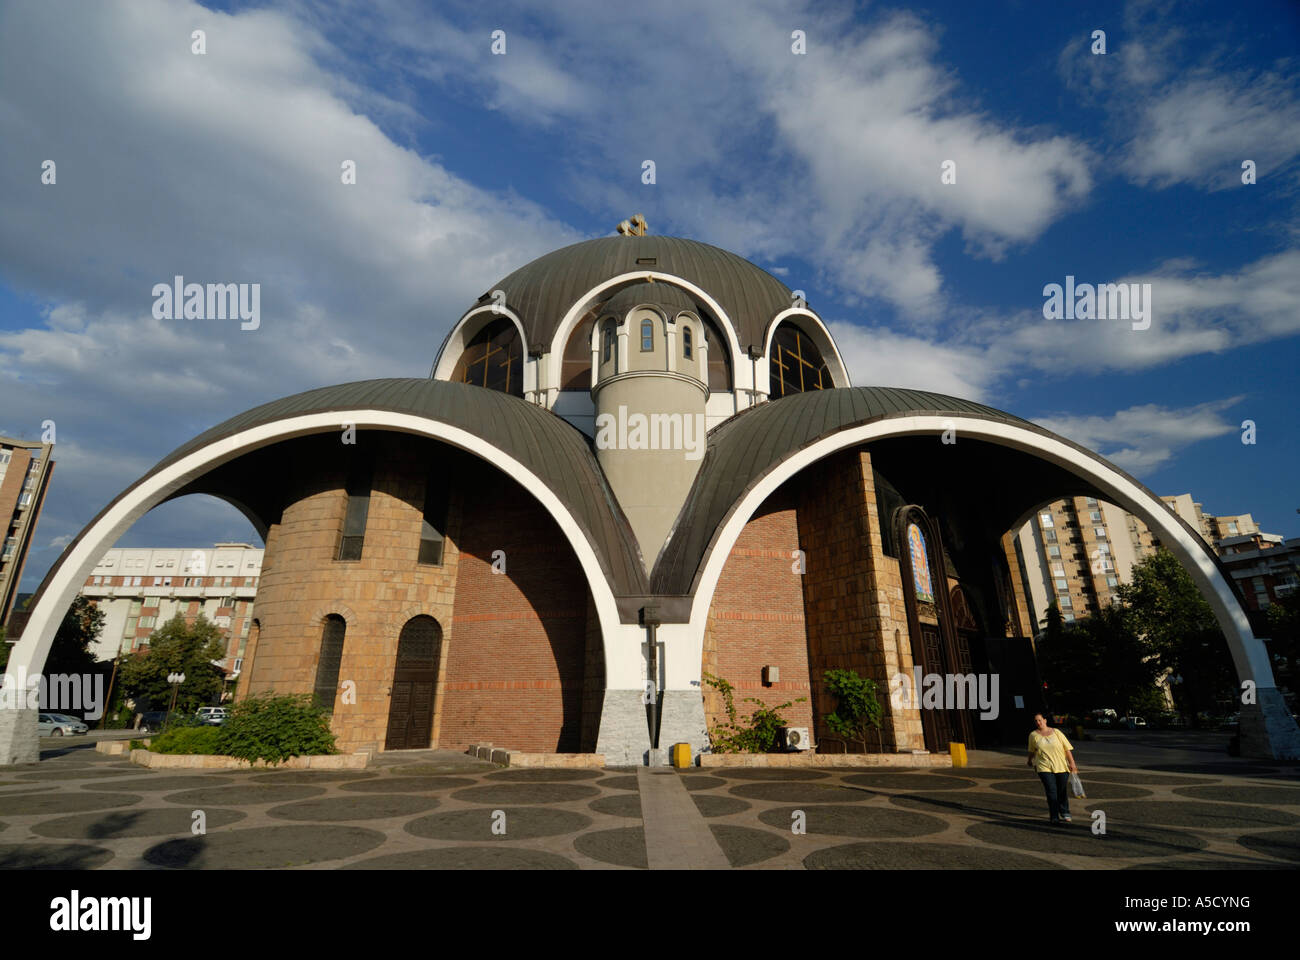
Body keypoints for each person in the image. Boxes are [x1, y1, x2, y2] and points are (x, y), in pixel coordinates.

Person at [1027, 712, 1077, 824]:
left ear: (1045, 720)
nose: (1038, 723)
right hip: (1044, 767)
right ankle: (1054, 816)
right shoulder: (1033, 735)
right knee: (1051, 791)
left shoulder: (1057, 732)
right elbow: (1032, 750)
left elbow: (1067, 749)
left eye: (1040, 720)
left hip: (1061, 766)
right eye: (1036, 721)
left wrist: (1072, 763)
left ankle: (1065, 811)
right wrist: (1030, 760)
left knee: (1062, 790)